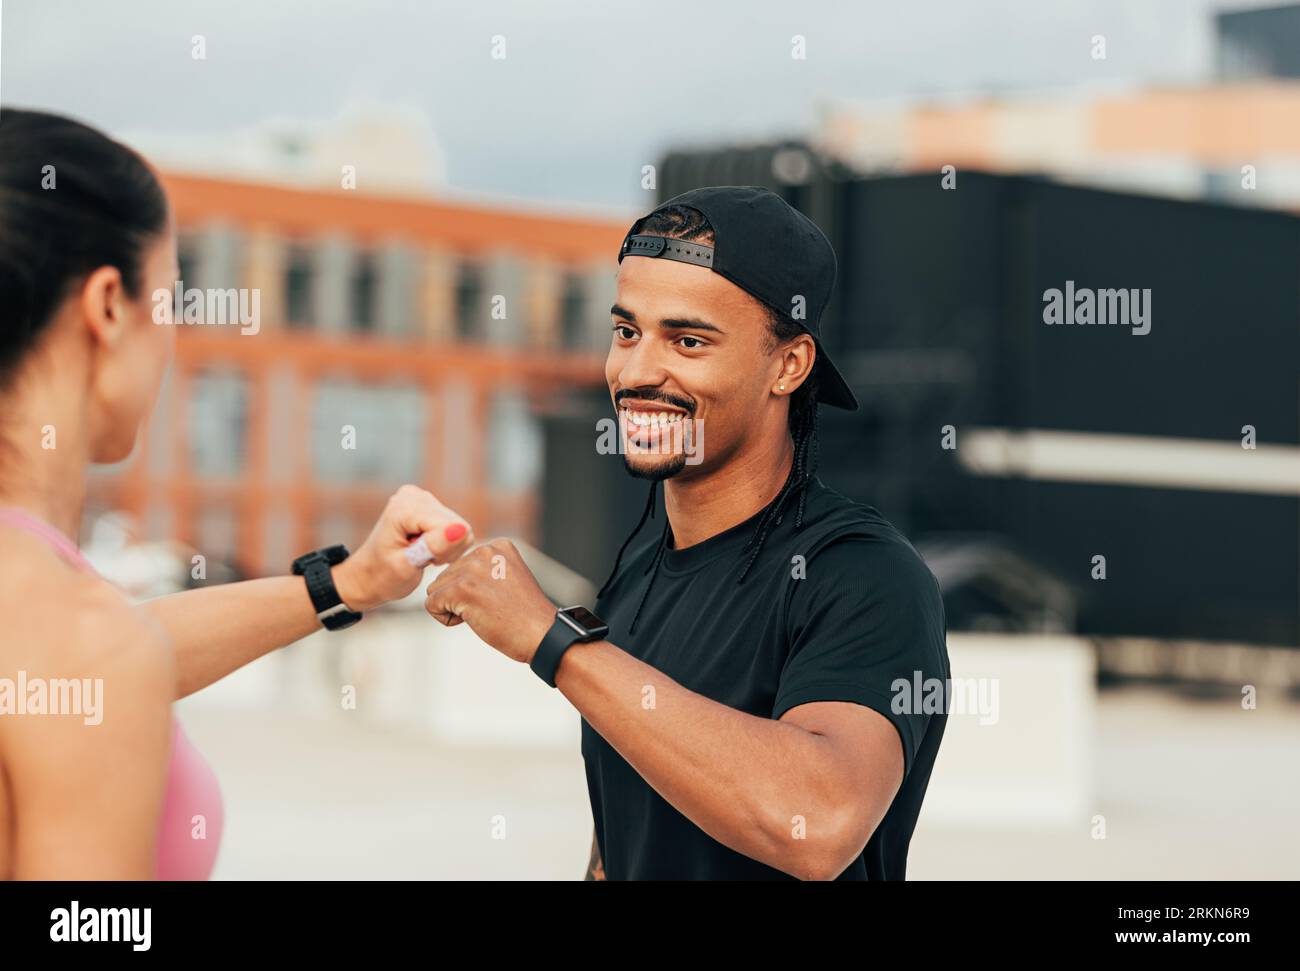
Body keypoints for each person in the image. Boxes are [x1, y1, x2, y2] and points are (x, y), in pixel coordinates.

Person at [424, 186, 951, 880]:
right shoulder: (635, 576)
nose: (638, 372)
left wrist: (554, 641)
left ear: (789, 365)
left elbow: (818, 822)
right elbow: (620, 846)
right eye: (626, 331)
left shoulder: (862, 574)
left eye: (688, 339)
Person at [0, 107, 473, 880]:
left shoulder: (61, 622)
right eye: (173, 296)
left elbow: (116, 650)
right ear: (110, 304)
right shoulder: (80, 639)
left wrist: (348, 581)